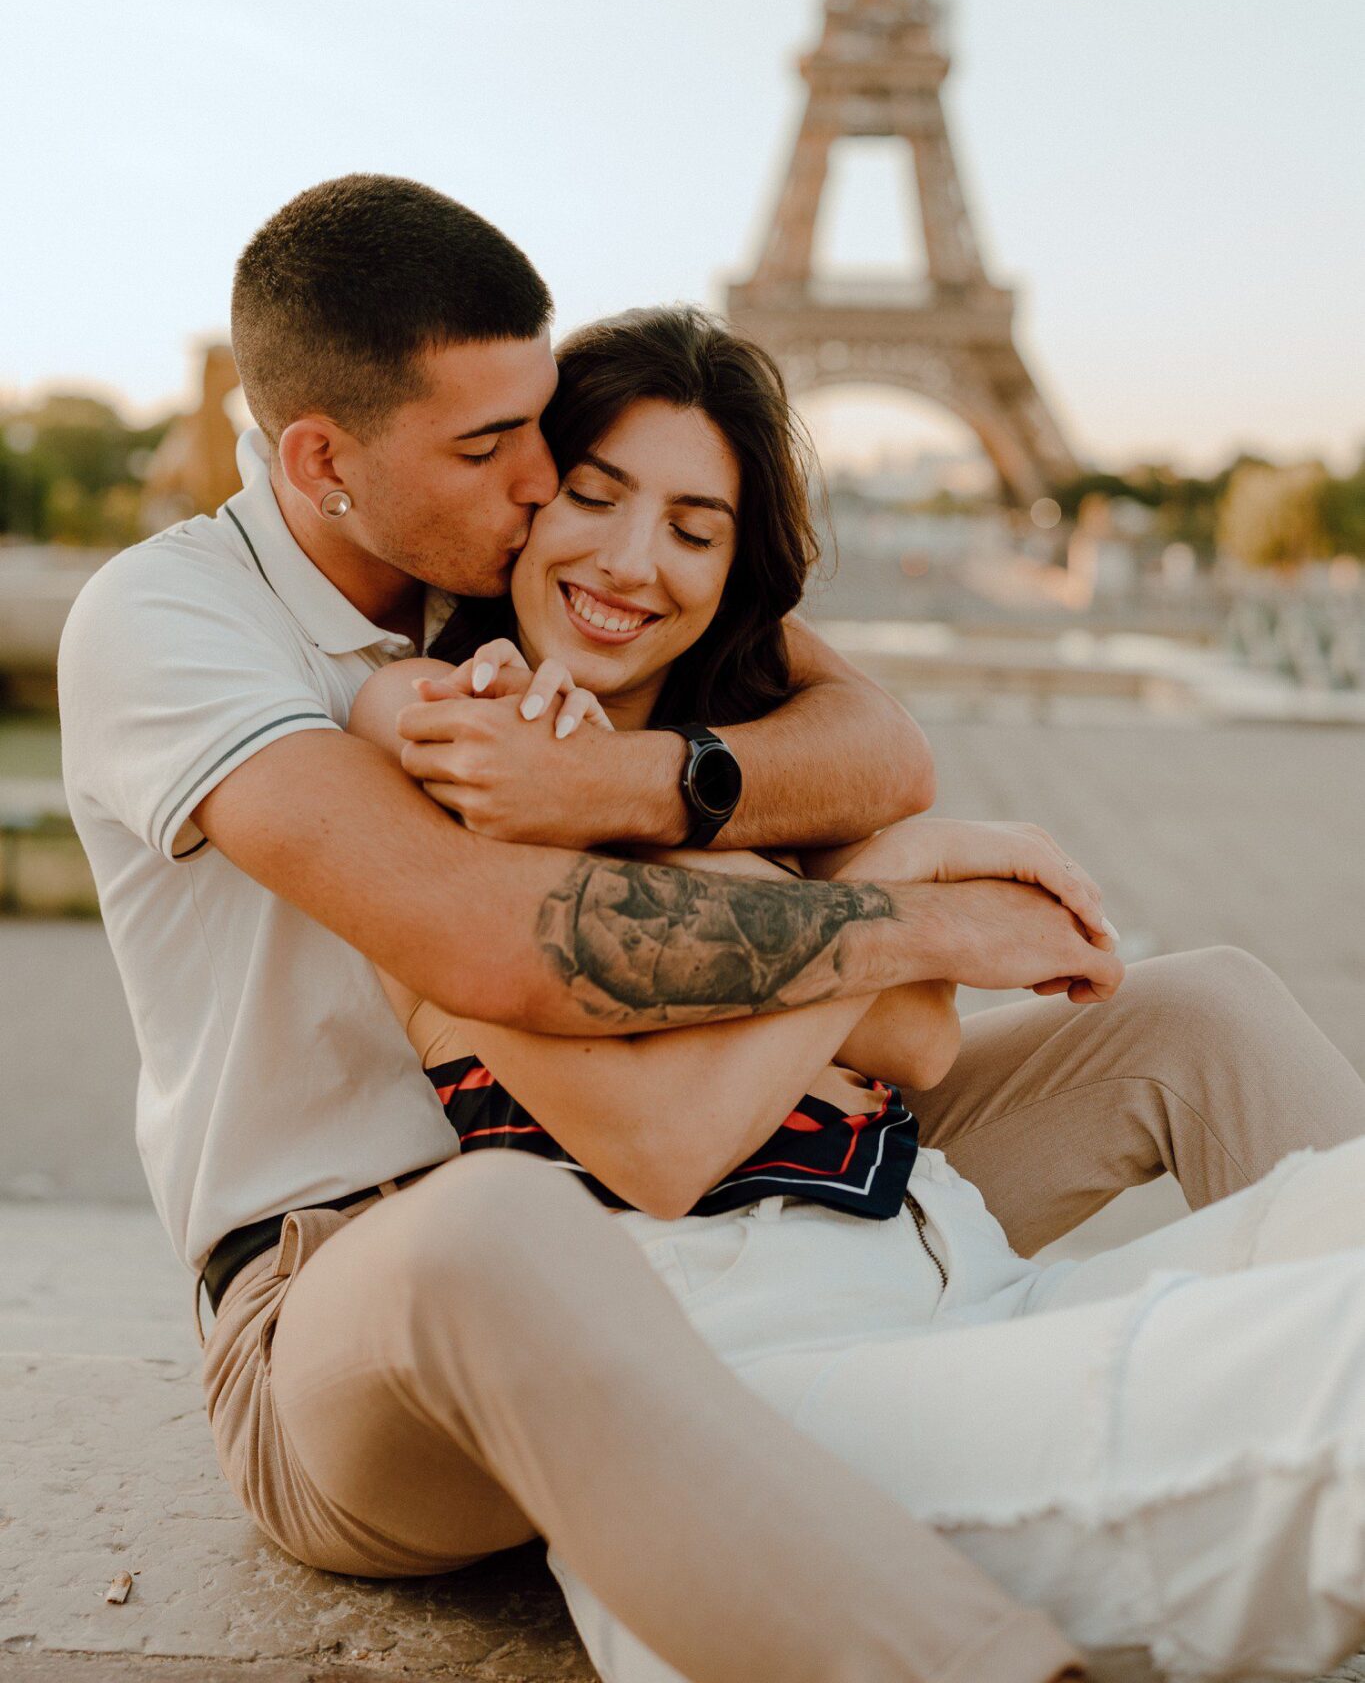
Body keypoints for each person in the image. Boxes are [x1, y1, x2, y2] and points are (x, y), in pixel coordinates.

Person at [54, 176, 1360, 1683]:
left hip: (699, 1206)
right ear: (324, 462)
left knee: (1201, 1013)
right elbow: (501, 949)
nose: (546, 487)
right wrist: (902, 907)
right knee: (495, 1230)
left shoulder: (516, 572)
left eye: (549, 433)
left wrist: (625, 776)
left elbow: (869, 743)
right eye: (498, 453)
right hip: (362, 1273)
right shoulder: (189, 627)